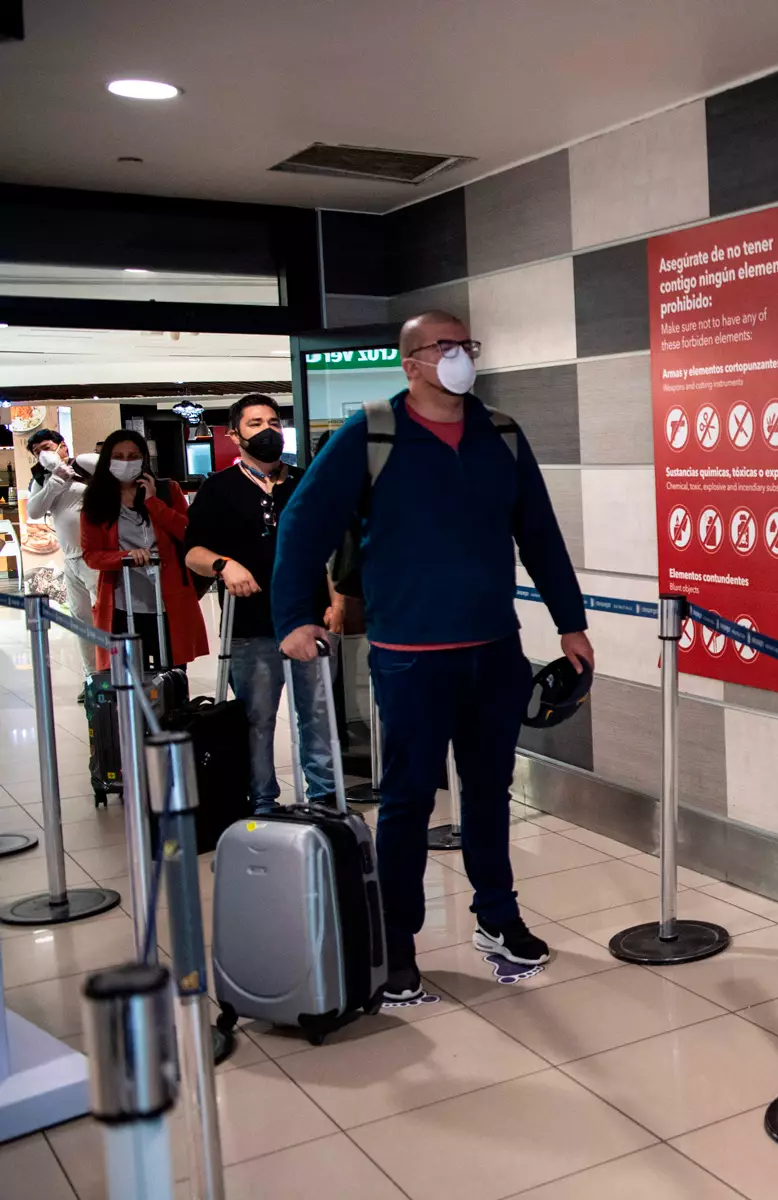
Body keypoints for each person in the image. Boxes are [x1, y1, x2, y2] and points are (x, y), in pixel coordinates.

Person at [271, 310, 592, 1003]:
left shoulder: (500, 434)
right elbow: (302, 522)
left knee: (488, 793)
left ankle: (498, 918)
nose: (460, 357)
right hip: (410, 656)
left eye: (466, 345)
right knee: (408, 800)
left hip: (493, 651)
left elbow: (538, 531)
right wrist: (293, 615)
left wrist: (572, 623)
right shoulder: (371, 433)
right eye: (445, 347)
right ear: (411, 362)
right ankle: (399, 939)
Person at [184, 395, 336, 812]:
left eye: (273, 421)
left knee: (318, 715)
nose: (267, 430)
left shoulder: (306, 481)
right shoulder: (217, 488)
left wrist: (337, 600)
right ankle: (262, 800)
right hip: (250, 624)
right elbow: (192, 552)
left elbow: (331, 548)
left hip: (309, 619)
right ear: (234, 435)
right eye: (255, 423)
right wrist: (223, 564)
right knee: (256, 719)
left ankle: (324, 796)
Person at [80, 429, 207, 674]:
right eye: (118, 456)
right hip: (122, 605)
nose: (126, 462)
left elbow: (188, 532)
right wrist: (124, 557)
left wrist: (153, 503)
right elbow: (91, 554)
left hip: (169, 601)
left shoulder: (167, 490)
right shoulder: (96, 500)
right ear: (107, 459)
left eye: (132, 455)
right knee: (128, 679)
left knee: (173, 676)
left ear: (144, 459)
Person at [25, 430, 98, 671]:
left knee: (106, 616)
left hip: (97, 555)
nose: (43, 455)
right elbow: (34, 511)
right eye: (37, 452)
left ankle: (118, 673)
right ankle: (92, 677)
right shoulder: (42, 480)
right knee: (81, 621)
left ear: (62, 446)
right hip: (71, 558)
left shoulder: (84, 464)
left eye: (47, 447)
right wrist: (55, 481)